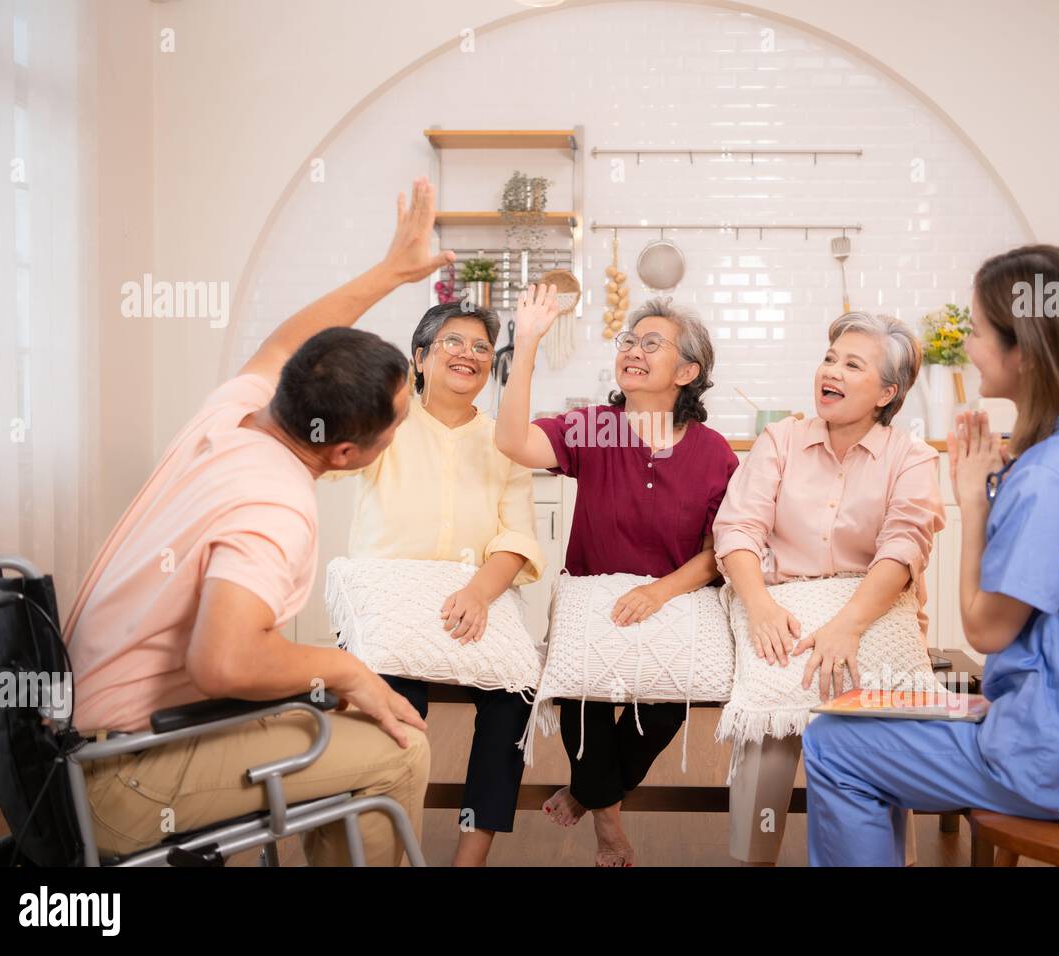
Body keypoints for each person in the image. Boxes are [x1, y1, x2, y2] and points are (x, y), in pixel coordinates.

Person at [63, 179, 454, 866]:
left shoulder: (239, 411)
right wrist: (347, 670)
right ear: (345, 453)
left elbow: (289, 340)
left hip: (75, 744)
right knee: (400, 748)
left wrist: (394, 269)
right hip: (119, 778)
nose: (404, 426)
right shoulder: (275, 503)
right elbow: (224, 660)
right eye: (396, 424)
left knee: (347, 723)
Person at [802, 244, 1059, 866]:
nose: (966, 344)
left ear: (1022, 350)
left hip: (1058, 763)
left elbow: (984, 629)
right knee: (878, 719)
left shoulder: (1050, 476)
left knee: (834, 745)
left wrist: (972, 502)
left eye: (975, 330)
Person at [495, 286, 739, 866]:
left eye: (651, 343)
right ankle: (609, 823)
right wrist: (525, 343)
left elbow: (720, 553)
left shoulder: (713, 453)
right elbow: (511, 441)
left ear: (687, 370)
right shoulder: (594, 429)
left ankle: (586, 791)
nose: (633, 349)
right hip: (593, 607)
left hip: (675, 605)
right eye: (629, 340)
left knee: (660, 709)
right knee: (586, 698)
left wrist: (659, 592)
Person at [714, 311, 944, 865]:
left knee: (873, 729)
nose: (830, 371)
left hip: (870, 608)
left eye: (851, 364)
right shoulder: (780, 439)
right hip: (782, 604)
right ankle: (754, 857)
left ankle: (884, 856)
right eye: (829, 358)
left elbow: (903, 547)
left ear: (887, 392)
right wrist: (761, 606)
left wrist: (847, 626)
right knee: (772, 712)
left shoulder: (911, 457)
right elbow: (738, 527)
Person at [335, 300, 545, 866]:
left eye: (481, 348)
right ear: (420, 359)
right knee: (396, 712)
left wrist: (479, 592)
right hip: (390, 605)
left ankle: (469, 858)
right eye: (453, 343)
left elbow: (517, 537)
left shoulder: (507, 441)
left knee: (511, 703)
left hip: (475, 599)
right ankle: (390, 849)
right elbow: (339, 453)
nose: (469, 355)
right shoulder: (385, 423)